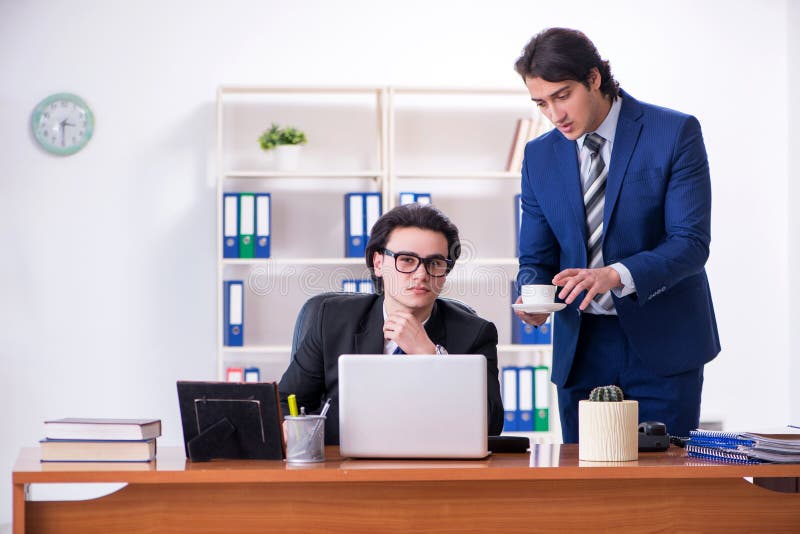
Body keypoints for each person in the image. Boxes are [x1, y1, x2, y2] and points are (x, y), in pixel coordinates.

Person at [513, 28, 720, 443]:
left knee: (663, 490)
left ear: (594, 78)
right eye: (541, 103)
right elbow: (535, 257)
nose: (555, 115)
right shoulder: (540, 155)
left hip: (664, 343)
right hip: (581, 347)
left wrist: (613, 275)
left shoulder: (673, 132)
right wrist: (532, 296)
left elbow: (690, 242)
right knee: (588, 493)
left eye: (562, 95)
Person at [279, 203, 504, 444]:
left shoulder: (475, 334)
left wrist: (430, 356)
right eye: (406, 260)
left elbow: (489, 426)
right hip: (343, 467)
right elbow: (286, 402)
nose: (421, 275)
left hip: (432, 470)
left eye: (435, 263)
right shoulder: (331, 319)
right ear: (378, 263)